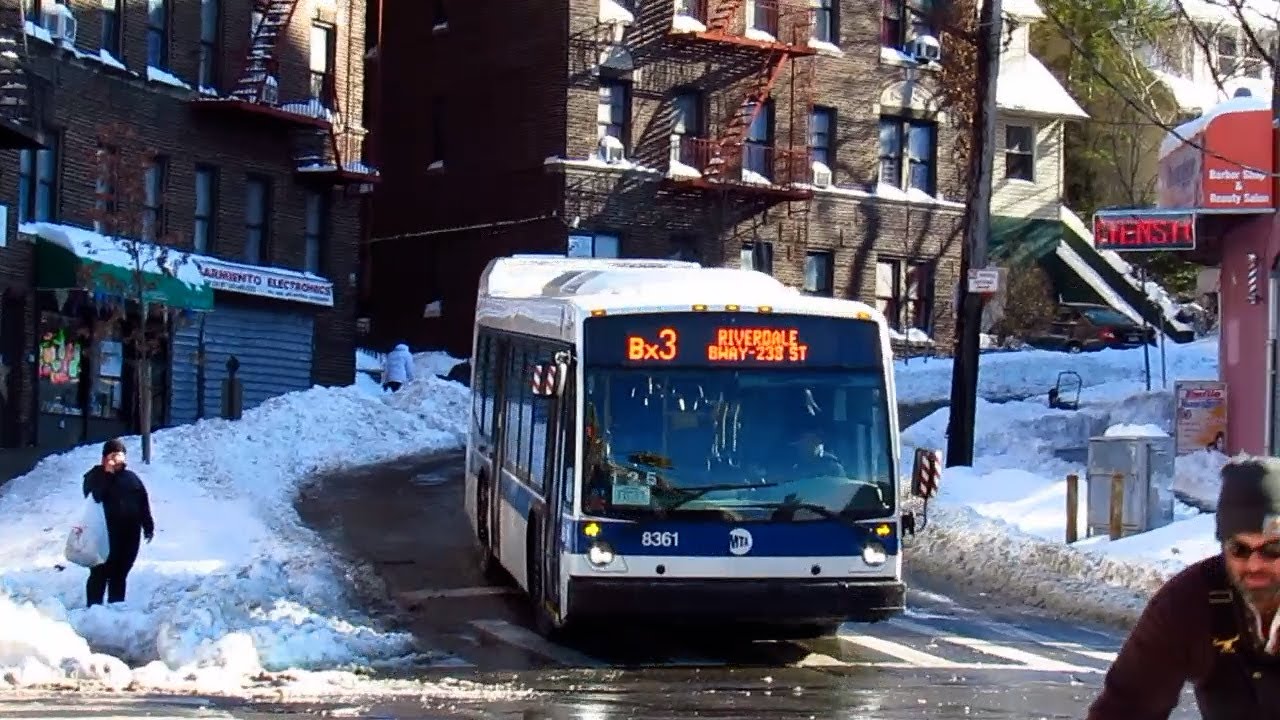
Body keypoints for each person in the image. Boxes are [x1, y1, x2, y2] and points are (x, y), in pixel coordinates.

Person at [1086, 455, 1280, 719]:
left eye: (1272, 549)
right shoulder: (1191, 600)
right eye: (1239, 549)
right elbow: (1127, 706)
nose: (1255, 565)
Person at [82, 438, 155, 606]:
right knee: (99, 573)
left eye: (121, 455)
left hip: (129, 534)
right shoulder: (94, 476)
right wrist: (107, 474)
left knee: (120, 574)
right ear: (104, 457)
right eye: (114, 455)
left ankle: (116, 611)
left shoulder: (132, 478)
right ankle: (93, 611)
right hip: (104, 535)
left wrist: (148, 525)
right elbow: (95, 496)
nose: (118, 459)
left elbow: (143, 502)